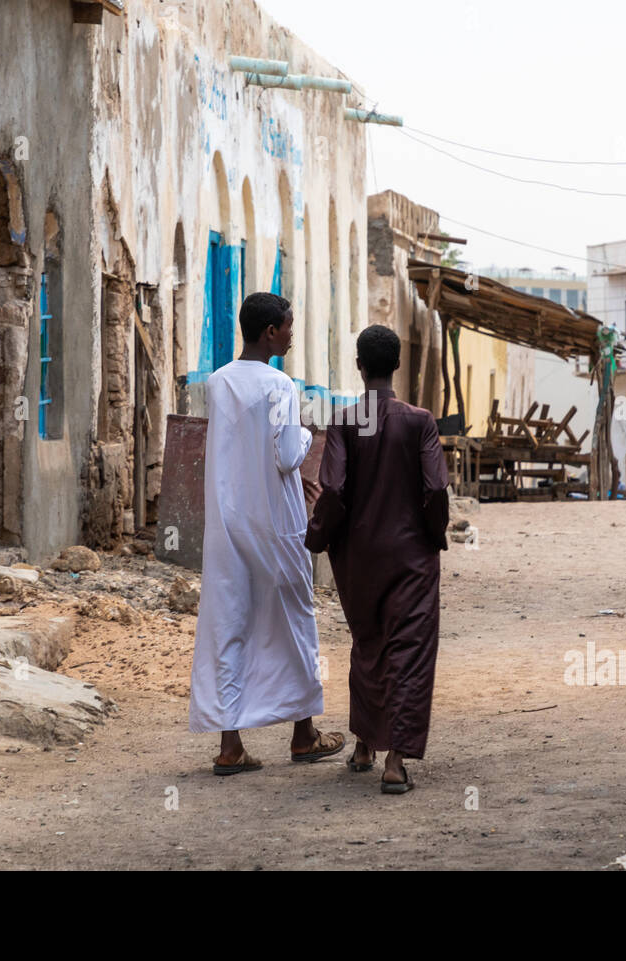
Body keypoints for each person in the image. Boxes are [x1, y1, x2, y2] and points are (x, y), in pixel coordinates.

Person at [188, 292, 345, 775]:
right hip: (276, 523)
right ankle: (303, 734)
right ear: (269, 332)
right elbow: (284, 455)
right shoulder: (280, 385)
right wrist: (305, 436)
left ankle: (230, 745)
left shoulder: (218, 382)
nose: (292, 333)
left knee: (228, 623)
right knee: (294, 622)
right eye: (288, 326)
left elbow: (242, 447)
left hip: (227, 522)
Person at [305, 325, 449, 795]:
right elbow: (435, 489)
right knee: (408, 650)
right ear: (397, 366)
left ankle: (365, 743)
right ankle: (396, 761)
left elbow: (334, 490)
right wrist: (434, 538)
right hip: (411, 557)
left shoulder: (345, 422)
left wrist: (319, 538)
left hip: (359, 558)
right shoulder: (420, 421)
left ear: (360, 366)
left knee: (368, 645)